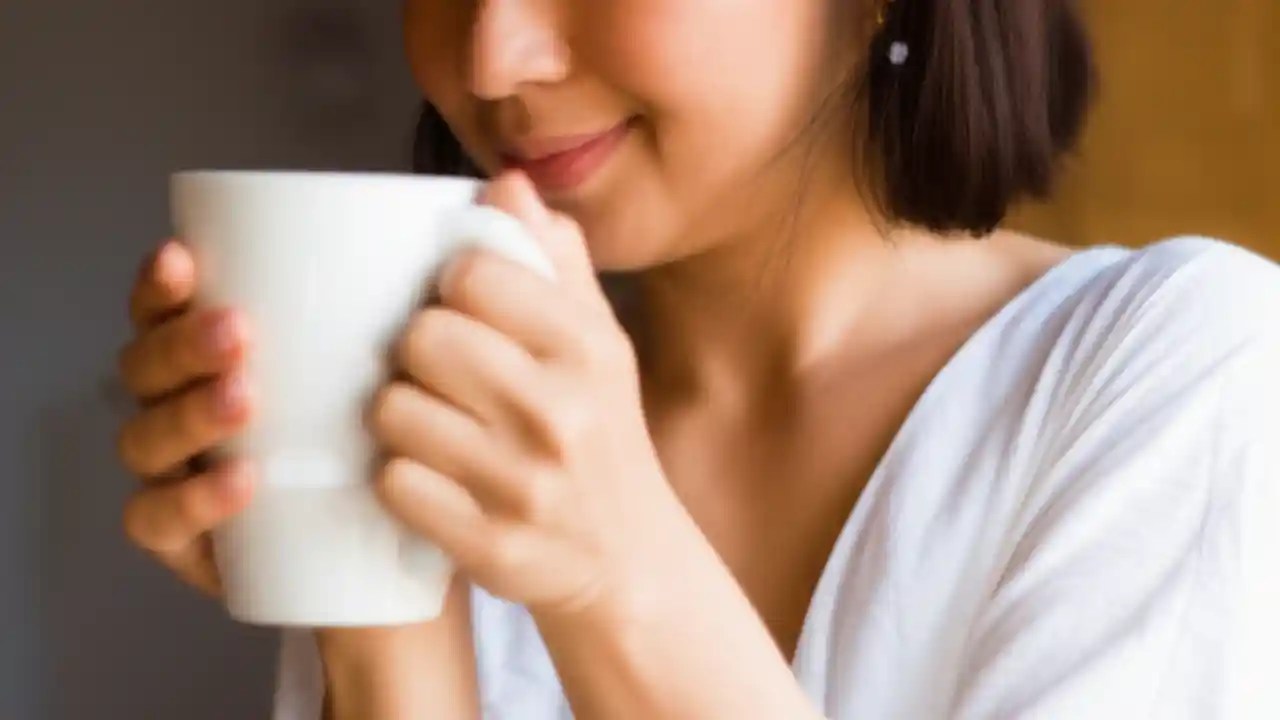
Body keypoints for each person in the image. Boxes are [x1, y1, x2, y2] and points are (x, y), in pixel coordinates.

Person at [115, 1, 1280, 718]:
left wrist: (616, 577)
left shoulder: (1182, 372)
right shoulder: (467, 424)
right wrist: (373, 602)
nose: (494, 52)